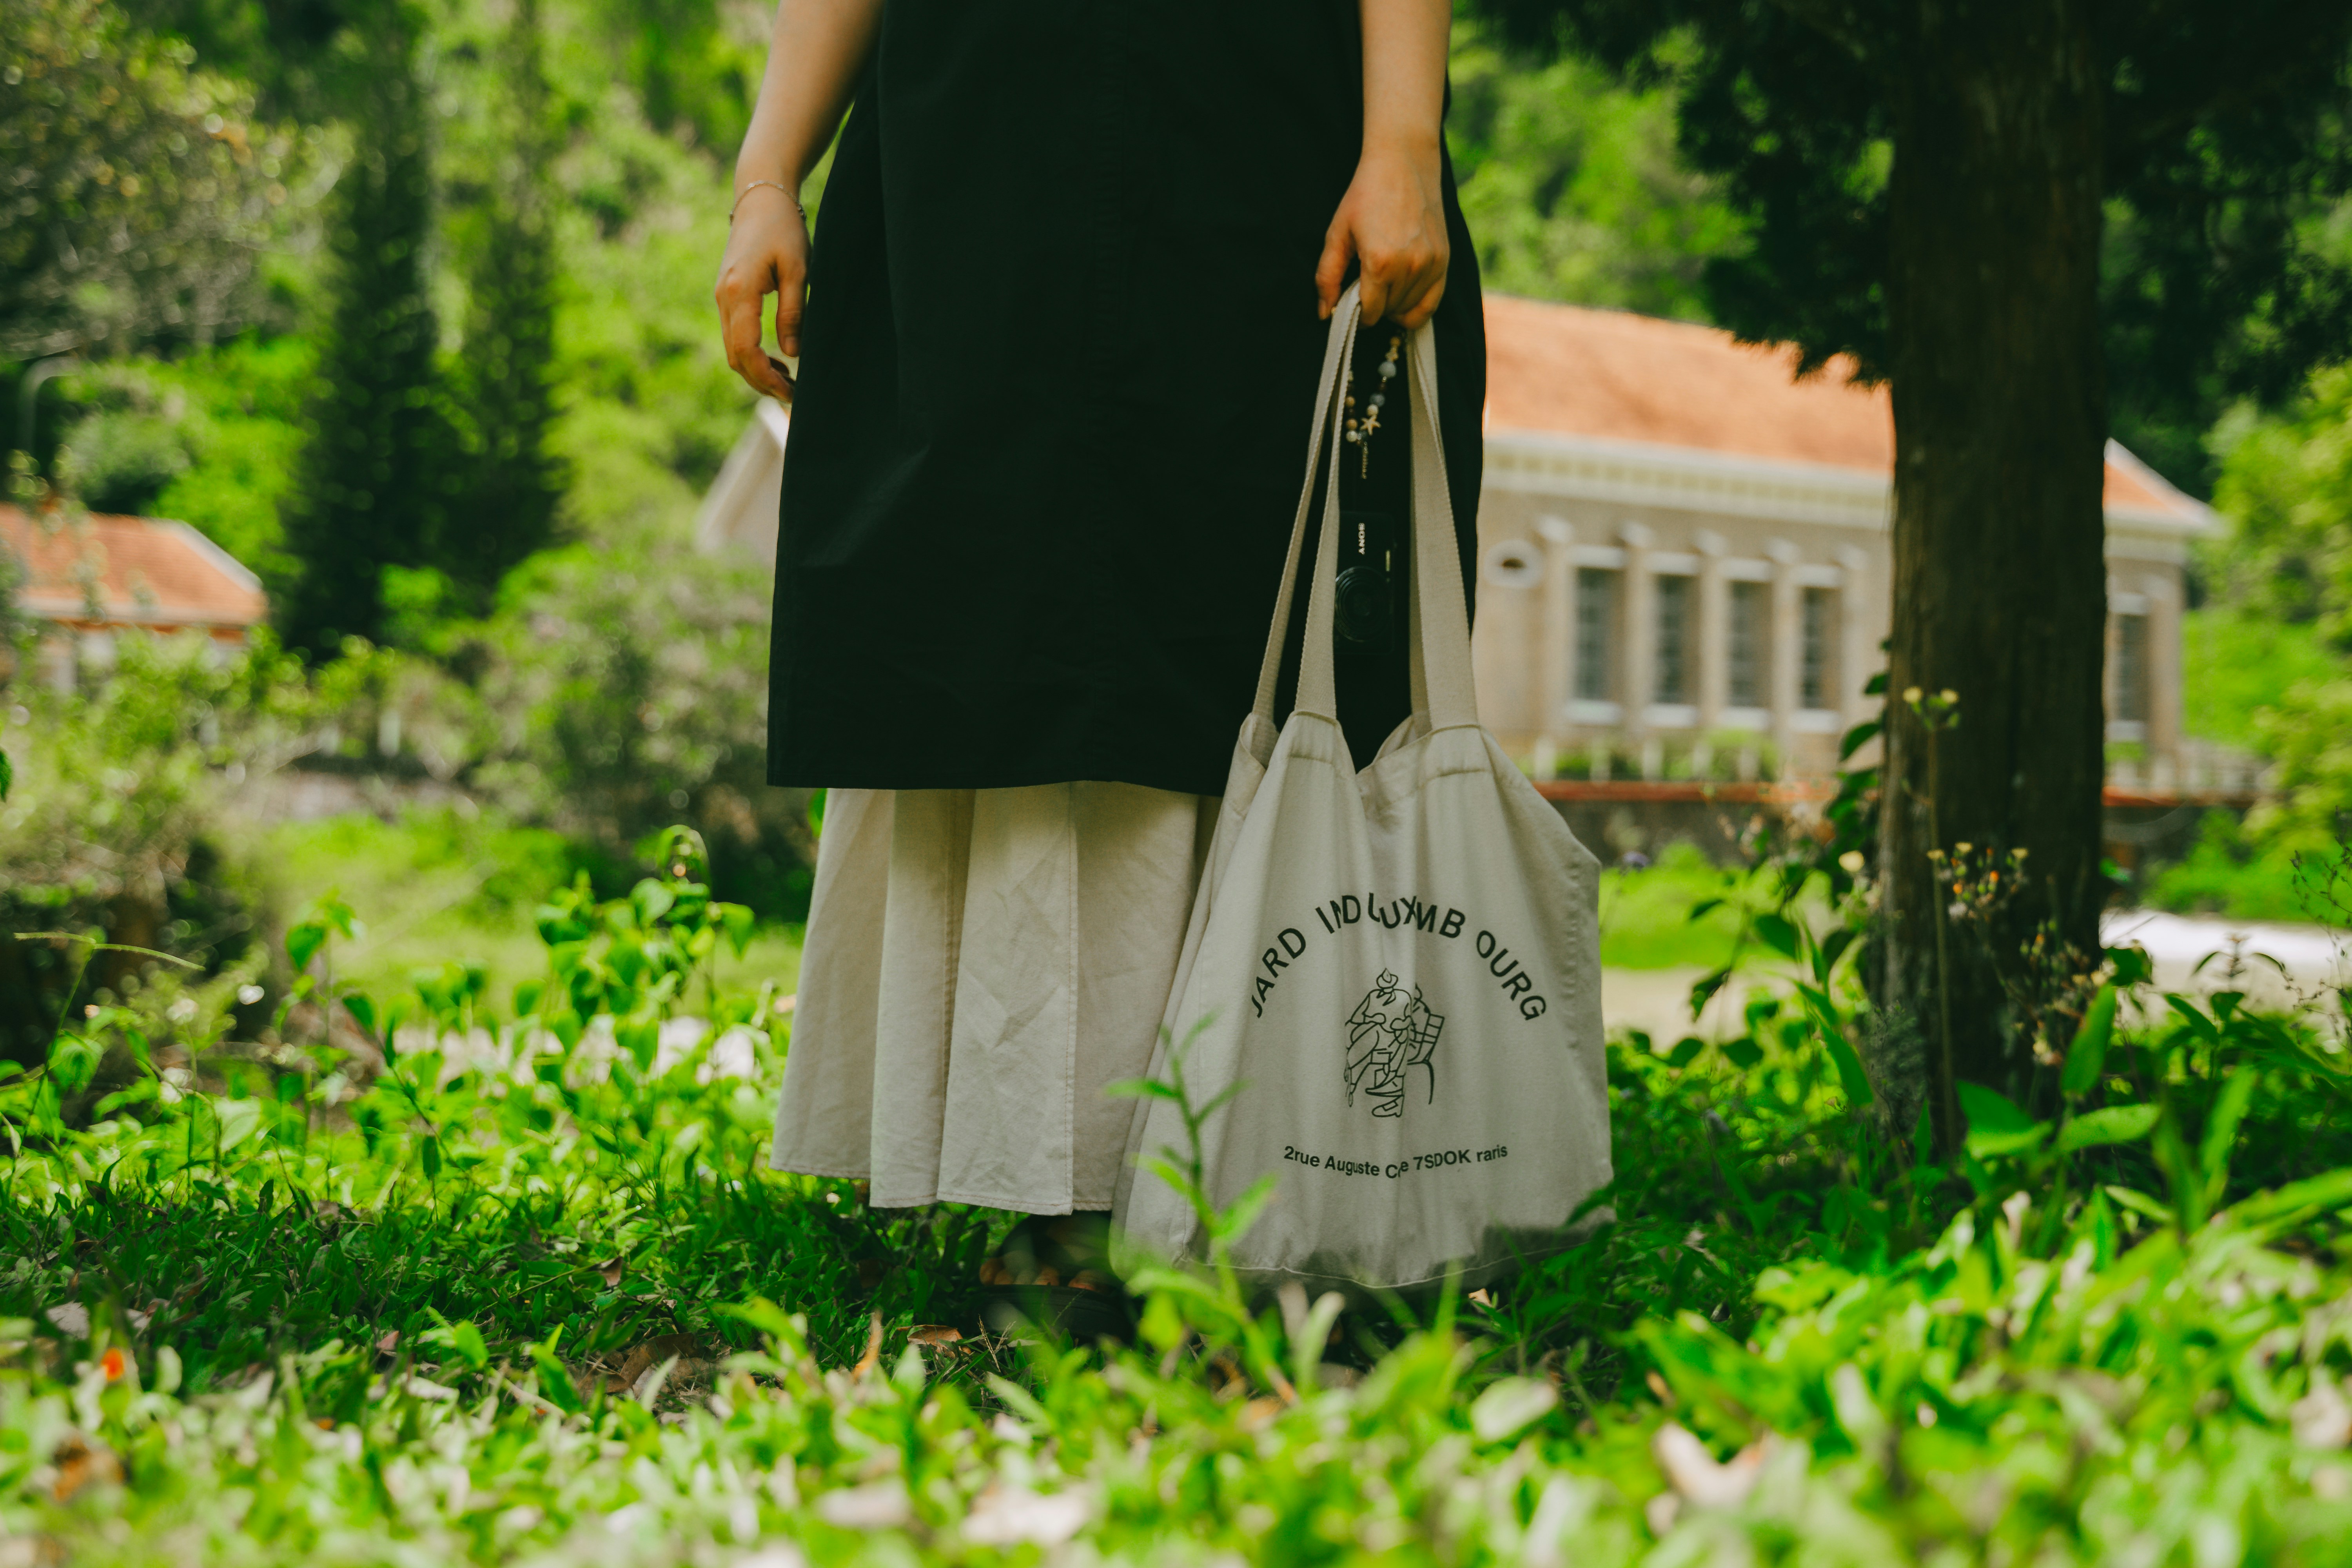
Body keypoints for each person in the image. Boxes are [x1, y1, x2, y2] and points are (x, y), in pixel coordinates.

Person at [715, 0, 1486, 1306]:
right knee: (987, 617)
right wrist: (766, 176)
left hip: (1258, 122)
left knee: (1247, 601)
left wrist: (1403, 135)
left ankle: (1300, 1176)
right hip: (974, 149)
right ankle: (1051, 1181)